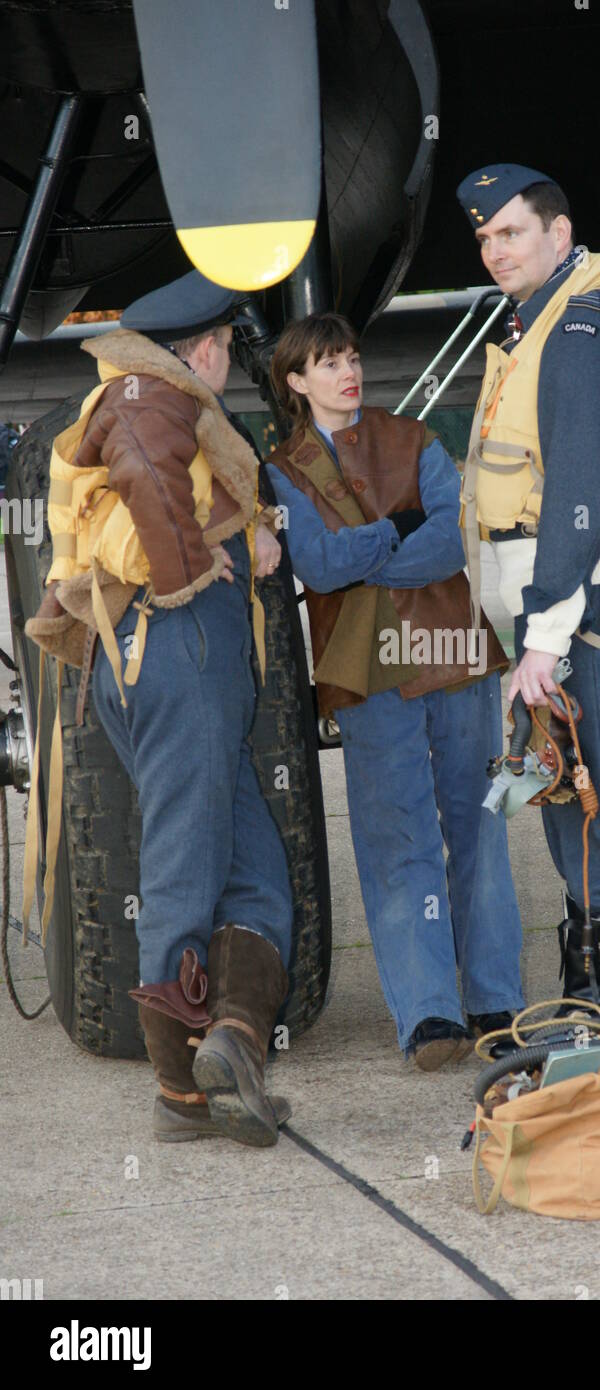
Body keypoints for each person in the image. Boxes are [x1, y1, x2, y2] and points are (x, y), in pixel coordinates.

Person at [26, 270, 293, 1145]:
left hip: (150, 651)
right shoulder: (150, 393)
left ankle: (234, 1045)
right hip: (178, 644)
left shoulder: (127, 392)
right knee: (185, 853)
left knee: (251, 864)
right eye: (227, 347)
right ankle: (179, 1088)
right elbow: (145, 470)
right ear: (206, 347)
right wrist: (184, 582)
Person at [456, 164, 600, 1037]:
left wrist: (546, 638)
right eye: (484, 238)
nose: (493, 251)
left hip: (589, 606)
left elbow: (583, 490)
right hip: (556, 612)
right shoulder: (535, 325)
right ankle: (593, 1002)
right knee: (562, 791)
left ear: (559, 233)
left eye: (509, 232)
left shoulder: (582, 324)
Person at [265, 312, 525, 1068]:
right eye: (326, 361)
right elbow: (315, 564)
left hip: (456, 654)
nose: (347, 370)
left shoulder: (415, 438)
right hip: (369, 672)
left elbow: (451, 538)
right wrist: (393, 533)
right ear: (295, 380)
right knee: (398, 840)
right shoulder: (283, 468)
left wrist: (369, 555)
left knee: (482, 828)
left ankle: (495, 1001)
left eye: (350, 355)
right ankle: (428, 1017)